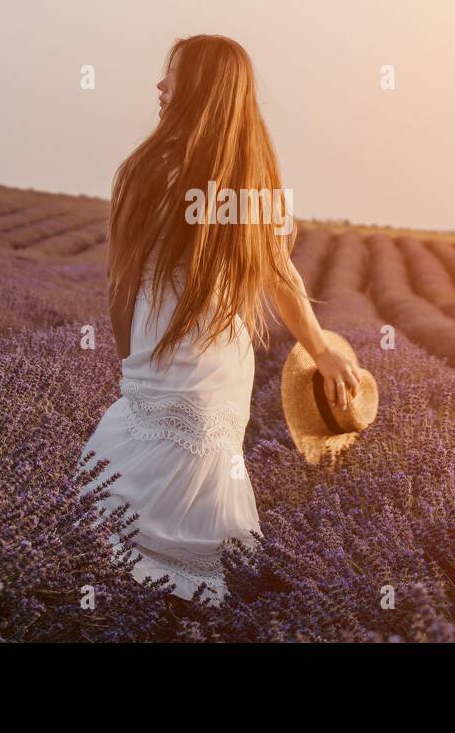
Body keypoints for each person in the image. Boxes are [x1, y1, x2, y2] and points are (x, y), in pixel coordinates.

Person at [77, 34, 360, 606]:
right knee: (202, 496)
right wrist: (321, 348)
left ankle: (123, 608)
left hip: (162, 352)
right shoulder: (249, 178)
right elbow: (282, 277)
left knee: (125, 495)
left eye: (173, 74)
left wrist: (129, 360)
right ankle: (194, 612)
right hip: (221, 364)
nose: (160, 86)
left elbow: (121, 283)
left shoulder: (147, 169)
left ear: (202, 87)